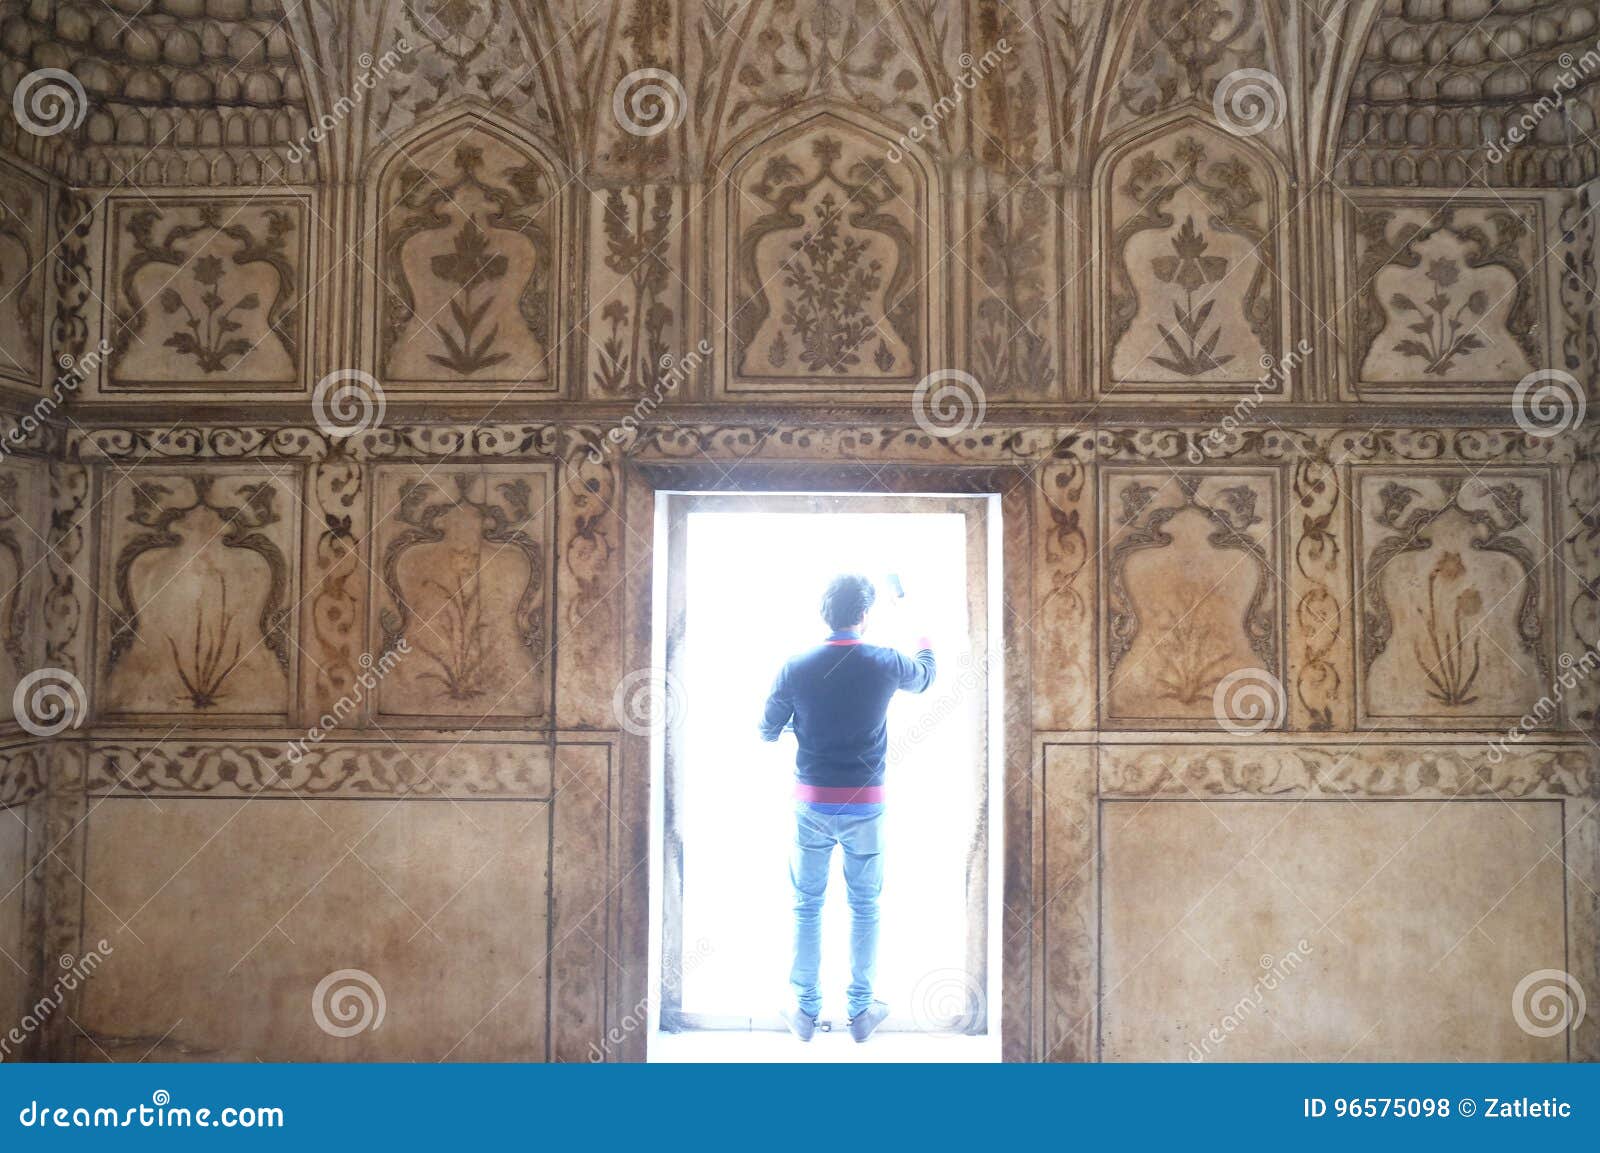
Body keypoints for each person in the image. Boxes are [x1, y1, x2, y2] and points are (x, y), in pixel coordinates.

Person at [759, 573, 936, 1043]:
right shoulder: (884, 661)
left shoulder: (796, 666)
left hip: (812, 804)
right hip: (865, 805)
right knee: (864, 906)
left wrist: (802, 726)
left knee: (807, 905)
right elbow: (927, 674)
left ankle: (804, 1010)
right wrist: (917, 623)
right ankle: (860, 1011)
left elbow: (766, 730)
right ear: (864, 614)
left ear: (826, 613)